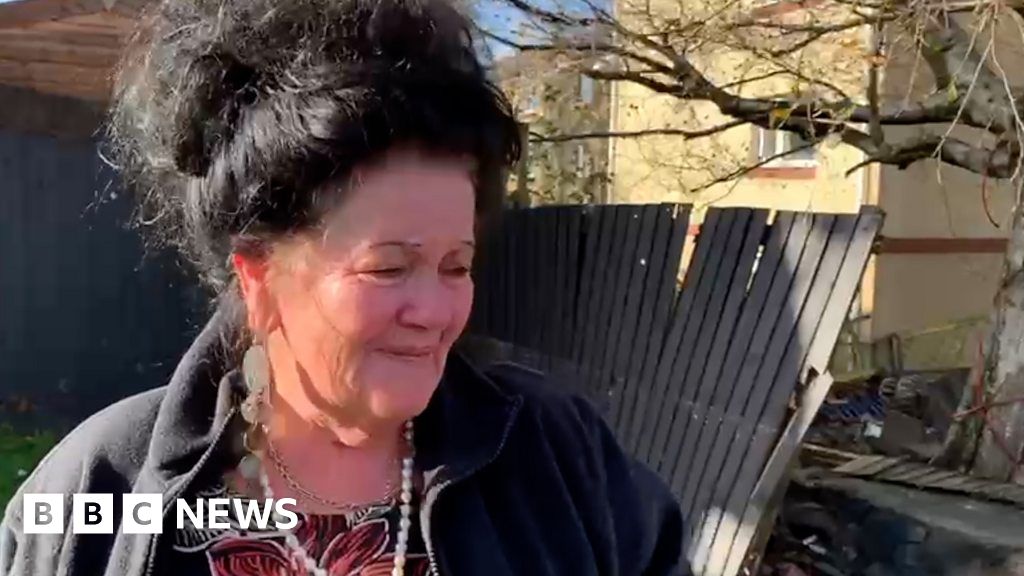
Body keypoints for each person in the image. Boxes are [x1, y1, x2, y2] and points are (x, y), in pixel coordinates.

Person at [0, 0, 688, 574]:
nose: (436, 311)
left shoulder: (564, 461)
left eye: (457, 266)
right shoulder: (99, 489)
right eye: (388, 267)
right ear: (260, 278)